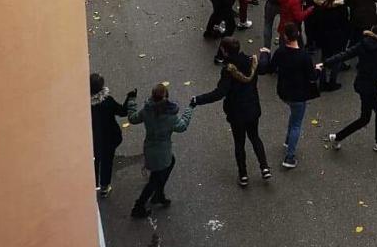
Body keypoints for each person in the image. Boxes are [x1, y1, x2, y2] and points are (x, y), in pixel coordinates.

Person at [192, 40, 272, 184]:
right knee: (255, 137)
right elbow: (264, 68)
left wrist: (198, 100)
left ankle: (243, 174)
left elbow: (219, 93)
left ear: (225, 51)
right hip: (252, 108)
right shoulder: (251, 61)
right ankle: (264, 167)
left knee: (239, 143)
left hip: (236, 112)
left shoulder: (229, 70)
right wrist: (265, 54)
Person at [325, 23, 377, 152]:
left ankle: (338, 137)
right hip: (369, 88)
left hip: (361, 84)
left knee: (365, 118)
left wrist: (326, 63)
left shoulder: (363, 44)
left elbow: (345, 55)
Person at [129, 85, 194, 218]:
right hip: (163, 151)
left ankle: (158, 195)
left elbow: (133, 118)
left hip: (150, 148)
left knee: (164, 169)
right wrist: (190, 108)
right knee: (155, 179)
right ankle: (140, 205)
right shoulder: (170, 116)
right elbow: (182, 126)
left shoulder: (147, 111)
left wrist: (131, 101)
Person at [269, 23, 321, 168]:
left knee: (293, 117)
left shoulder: (280, 52)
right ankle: (289, 157)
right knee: (297, 124)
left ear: (285, 36)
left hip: (284, 92)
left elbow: (271, 68)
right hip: (299, 95)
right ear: (298, 34)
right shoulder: (304, 56)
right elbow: (312, 77)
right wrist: (317, 69)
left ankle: (288, 141)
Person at [90, 74, 135, 197]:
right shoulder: (107, 101)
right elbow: (122, 111)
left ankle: (92, 184)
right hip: (109, 136)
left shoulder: (85, 105)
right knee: (106, 161)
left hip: (93, 138)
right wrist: (130, 98)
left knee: (95, 160)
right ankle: (104, 187)